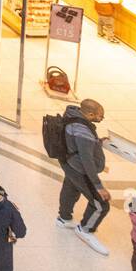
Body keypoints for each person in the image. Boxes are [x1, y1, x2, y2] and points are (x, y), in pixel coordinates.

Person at [56, 98, 111, 255]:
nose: (101, 118)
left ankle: (64, 218)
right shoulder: (83, 131)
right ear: (90, 114)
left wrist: (98, 142)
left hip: (68, 163)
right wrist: (98, 186)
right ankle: (85, 230)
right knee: (102, 203)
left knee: (70, 188)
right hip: (79, 168)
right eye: (100, 116)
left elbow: (78, 143)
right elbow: (86, 160)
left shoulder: (72, 114)